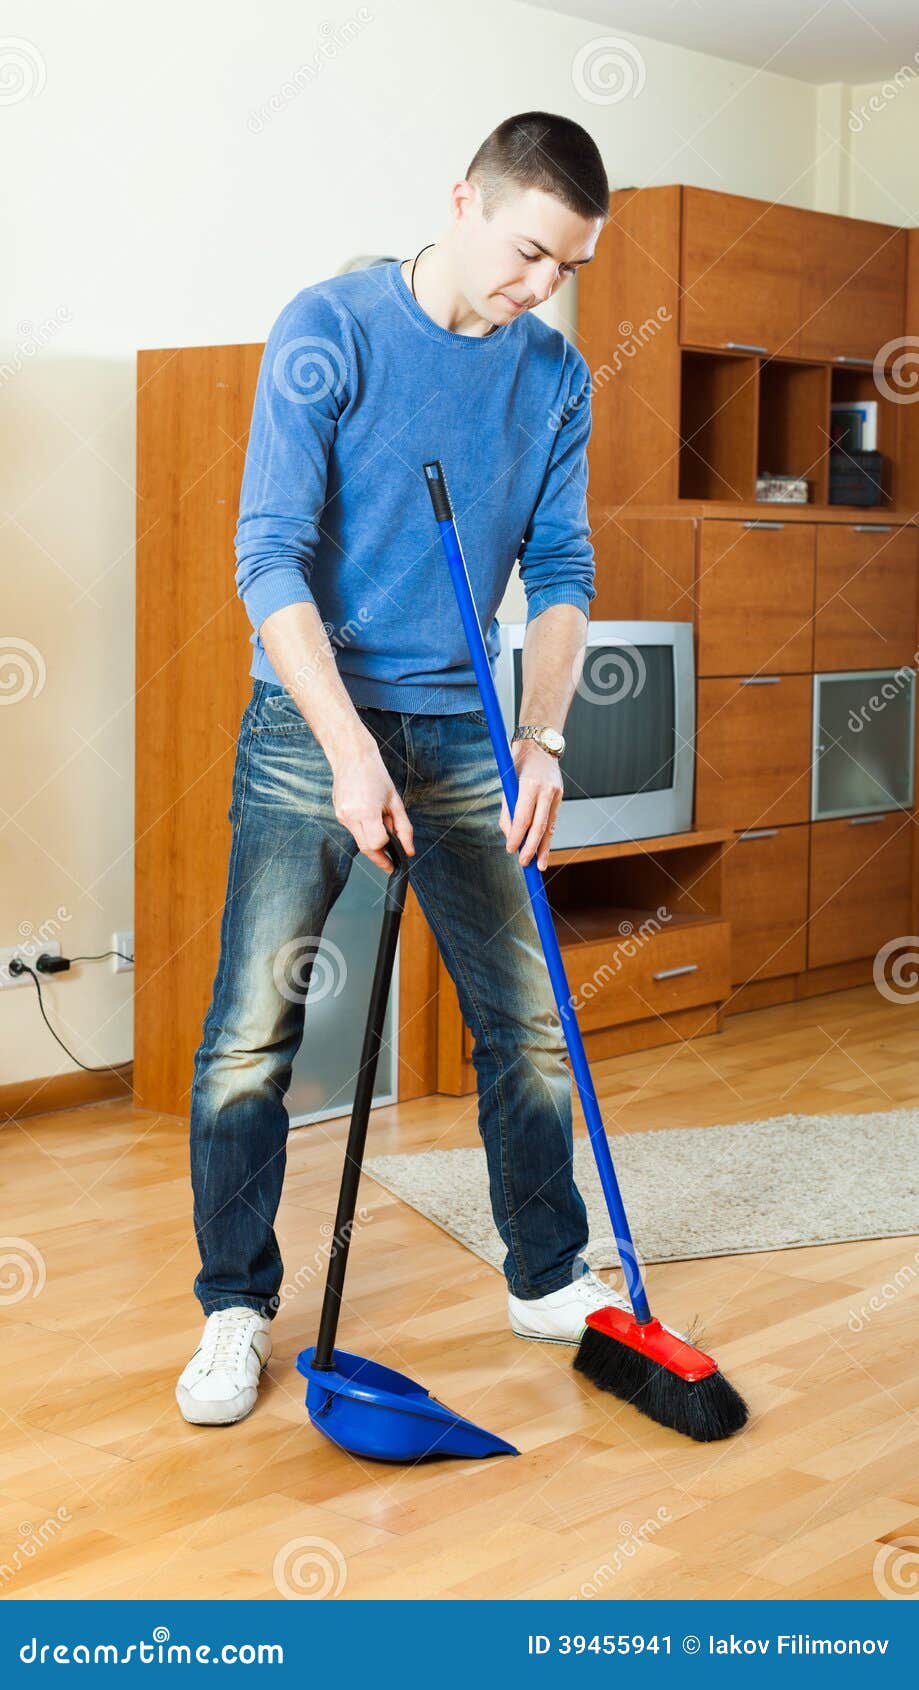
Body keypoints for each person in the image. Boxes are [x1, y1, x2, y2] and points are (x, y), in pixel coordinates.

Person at [176, 110, 627, 1426]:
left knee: (526, 1020)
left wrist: (541, 734)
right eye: (532, 252)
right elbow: (268, 557)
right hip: (309, 725)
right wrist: (348, 746)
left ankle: (548, 1275)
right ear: (466, 202)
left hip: (468, 734)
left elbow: (562, 574)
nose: (543, 288)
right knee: (253, 1029)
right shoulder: (332, 327)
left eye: (569, 269)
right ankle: (235, 1306)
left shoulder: (552, 377)